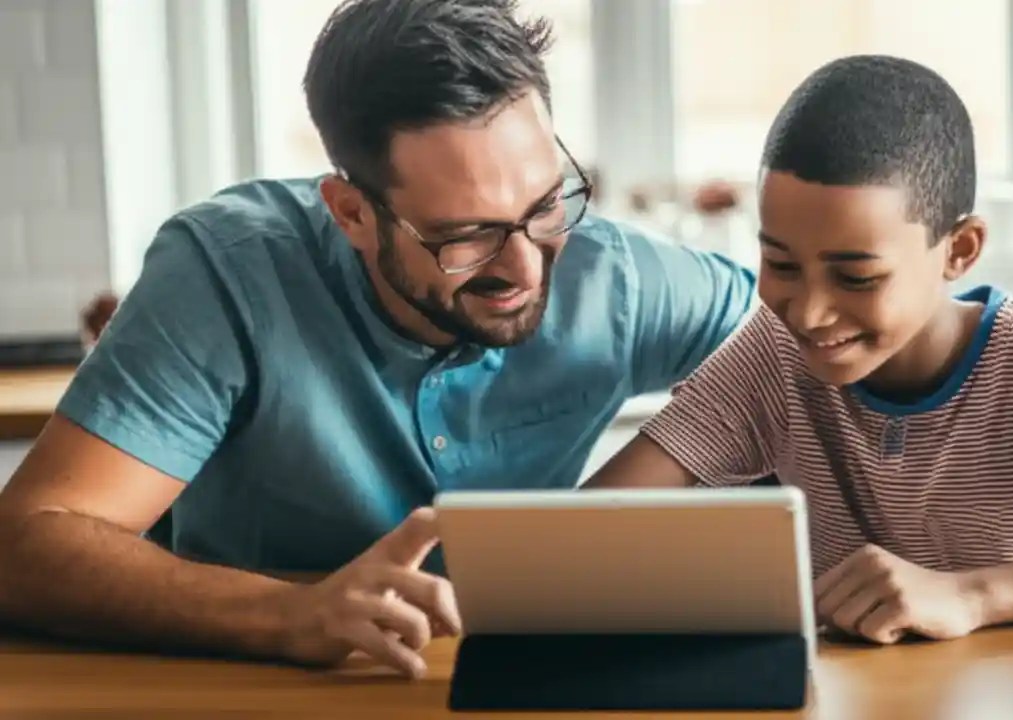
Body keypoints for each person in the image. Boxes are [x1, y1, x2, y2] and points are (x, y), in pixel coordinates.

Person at [0, 0, 754, 679]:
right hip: (257, 689)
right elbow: (24, 551)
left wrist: (677, 460)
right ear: (352, 213)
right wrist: (292, 616)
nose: (527, 264)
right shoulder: (226, 275)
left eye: (547, 203)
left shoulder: (617, 277)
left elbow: (822, 350)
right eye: (466, 236)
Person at [586, 55, 1013, 644]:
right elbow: (581, 531)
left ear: (958, 251)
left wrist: (969, 596)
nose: (809, 312)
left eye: (857, 277)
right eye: (781, 265)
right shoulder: (770, 358)